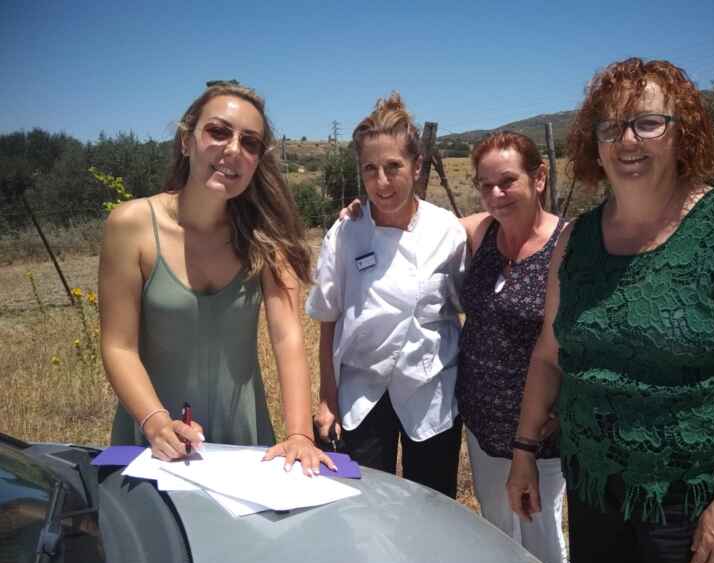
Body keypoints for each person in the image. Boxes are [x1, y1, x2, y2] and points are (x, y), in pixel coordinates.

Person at [507, 58, 714, 563]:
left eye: (647, 123)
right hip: (592, 488)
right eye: (612, 127)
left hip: (684, 504)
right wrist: (523, 450)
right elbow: (549, 353)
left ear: (683, 131)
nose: (627, 141)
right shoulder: (576, 239)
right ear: (594, 144)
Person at [100, 82, 334, 475]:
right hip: (152, 440)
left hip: (243, 438)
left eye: (250, 142)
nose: (233, 150)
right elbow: (118, 346)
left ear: (257, 161)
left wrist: (299, 435)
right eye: (219, 132)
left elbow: (287, 338)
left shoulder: (266, 236)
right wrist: (156, 422)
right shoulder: (131, 225)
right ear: (186, 141)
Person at [306, 92, 466, 498]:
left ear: (417, 166)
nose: (382, 182)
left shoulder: (447, 230)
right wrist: (327, 399)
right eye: (370, 169)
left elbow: (465, 306)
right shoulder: (346, 233)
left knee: (431, 508)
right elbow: (328, 319)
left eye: (393, 167)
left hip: (430, 392)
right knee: (363, 508)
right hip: (362, 396)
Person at [457, 131, 567, 563]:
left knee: (541, 538)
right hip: (482, 425)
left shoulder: (566, 243)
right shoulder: (482, 231)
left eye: (507, 182)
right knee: (496, 533)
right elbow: (417, 224)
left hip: (540, 433)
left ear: (539, 178)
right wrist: (362, 213)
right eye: (485, 185)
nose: (495, 195)